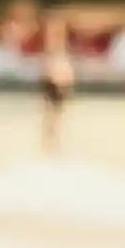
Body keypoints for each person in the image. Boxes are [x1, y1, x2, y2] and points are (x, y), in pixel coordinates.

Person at [39, 11, 75, 154]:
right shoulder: (53, 45)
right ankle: (50, 140)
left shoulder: (59, 45)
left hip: (58, 75)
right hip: (54, 75)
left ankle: (52, 140)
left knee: (55, 112)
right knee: (51, 111)